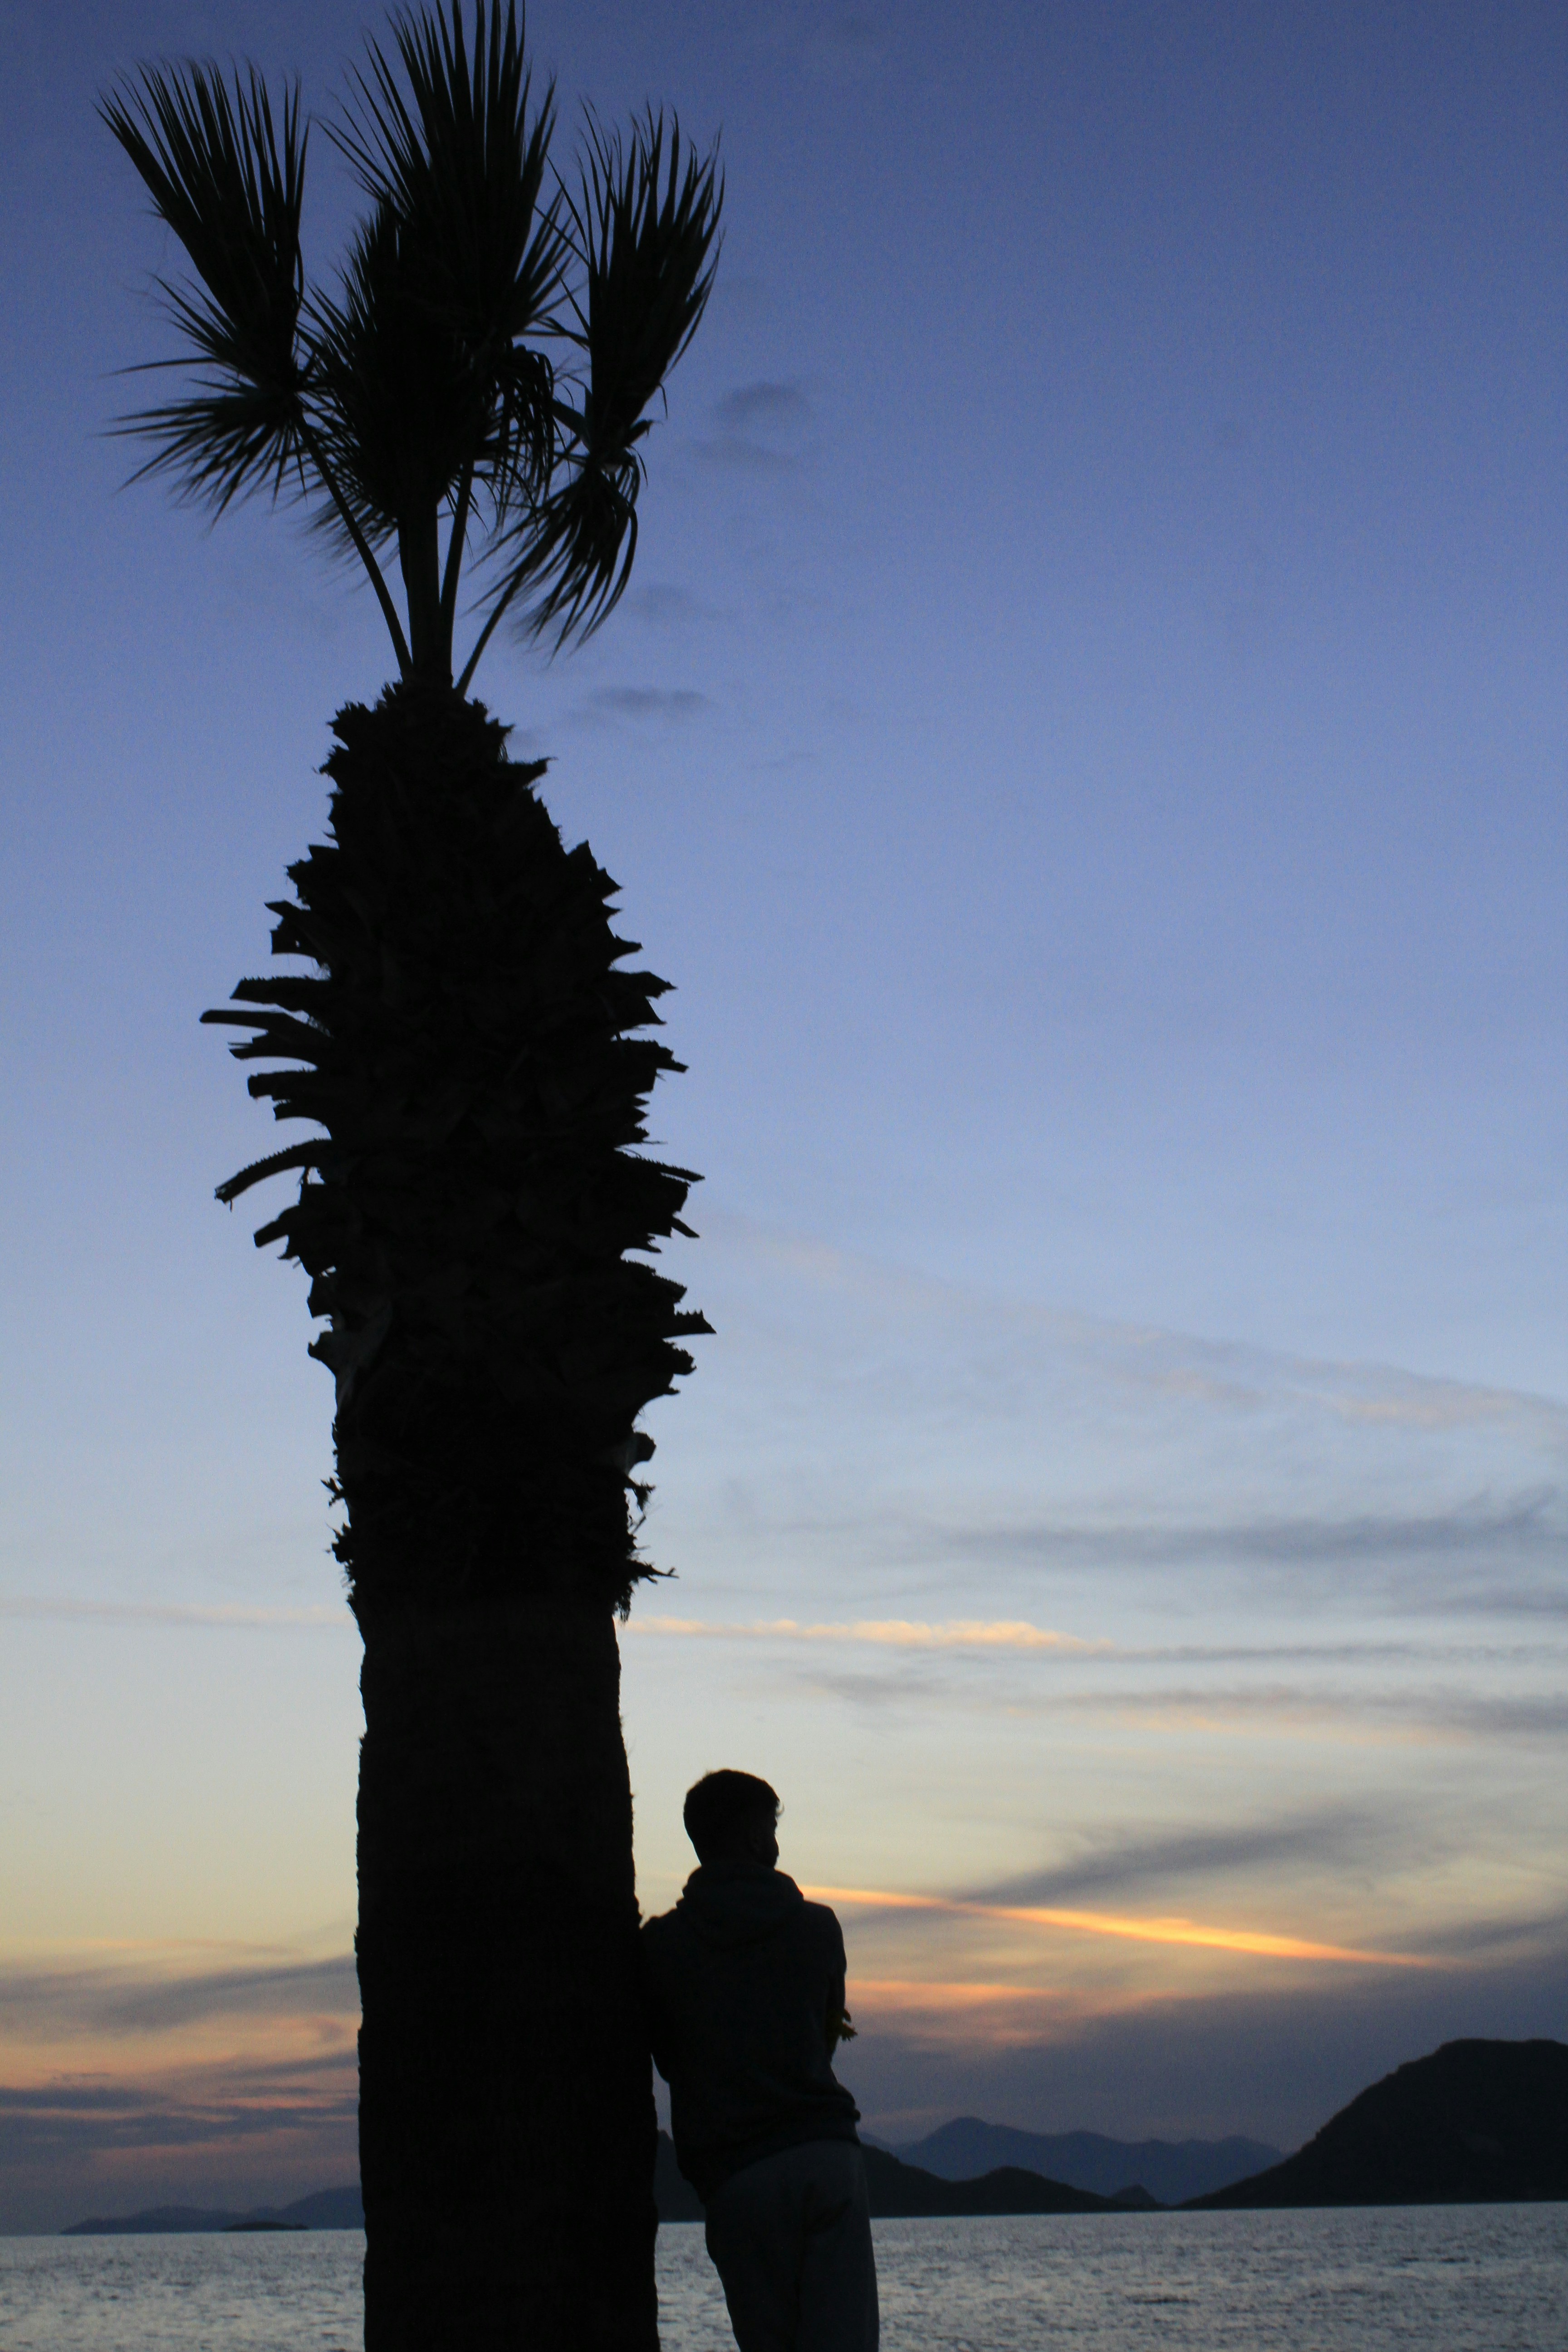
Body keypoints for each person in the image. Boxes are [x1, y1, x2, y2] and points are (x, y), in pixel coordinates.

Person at [640, 1770, 879, 2352]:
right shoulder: (819, 1929)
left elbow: (670, 2057)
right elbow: (821, 2041)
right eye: (771, 1830)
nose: (776, 1845)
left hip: (738, 2179)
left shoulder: (661, 1948)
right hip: (825, 2160)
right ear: (753, 1840)